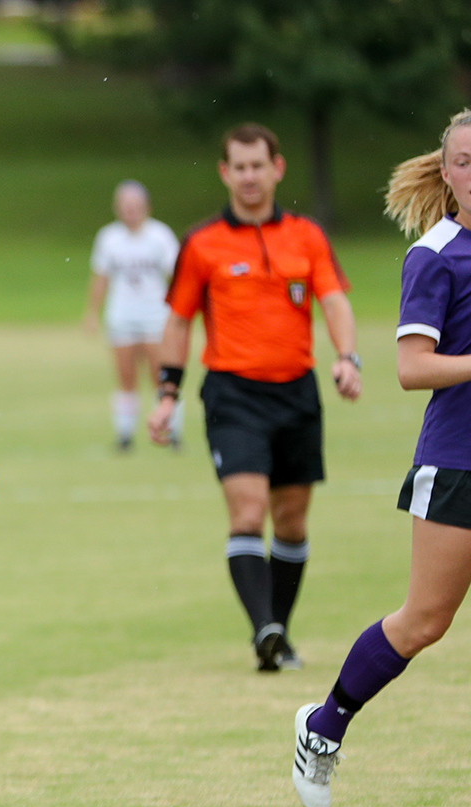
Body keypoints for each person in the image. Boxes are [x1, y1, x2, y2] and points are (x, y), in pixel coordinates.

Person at [292, 106, 471, 807]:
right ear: (445, 173)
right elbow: (411, 368)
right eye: (461, 162)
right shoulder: (436, 254)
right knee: (424, 621)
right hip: (463, 463)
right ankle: (324, 724)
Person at [147, 123, 363, 671]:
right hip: (233, 394)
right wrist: (168, 393)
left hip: (297, 392)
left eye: (257, 166)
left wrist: (347, 357)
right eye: (238, 167)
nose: (249, 176)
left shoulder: (307, 236)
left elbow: (334, 301)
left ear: (277, 169)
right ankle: (263, 626)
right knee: (248, 510)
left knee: (291, 521)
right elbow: (178, 321)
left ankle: (277, 636)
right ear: (225, 173)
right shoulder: (202, 243)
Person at [83, 180, 179, 450]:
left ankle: (170, 431)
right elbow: (100, 277)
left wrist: (179, 310)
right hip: (121, 316)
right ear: (117, 208)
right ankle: (124, 436)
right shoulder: (108, 238)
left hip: (155, 315)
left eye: (135, 206)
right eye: (125, 206)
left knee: (160, 375)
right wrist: (92, 312)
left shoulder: (160, 235)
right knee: (125, 376)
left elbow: (177, 276)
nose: (131, 211)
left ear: (147, 207)